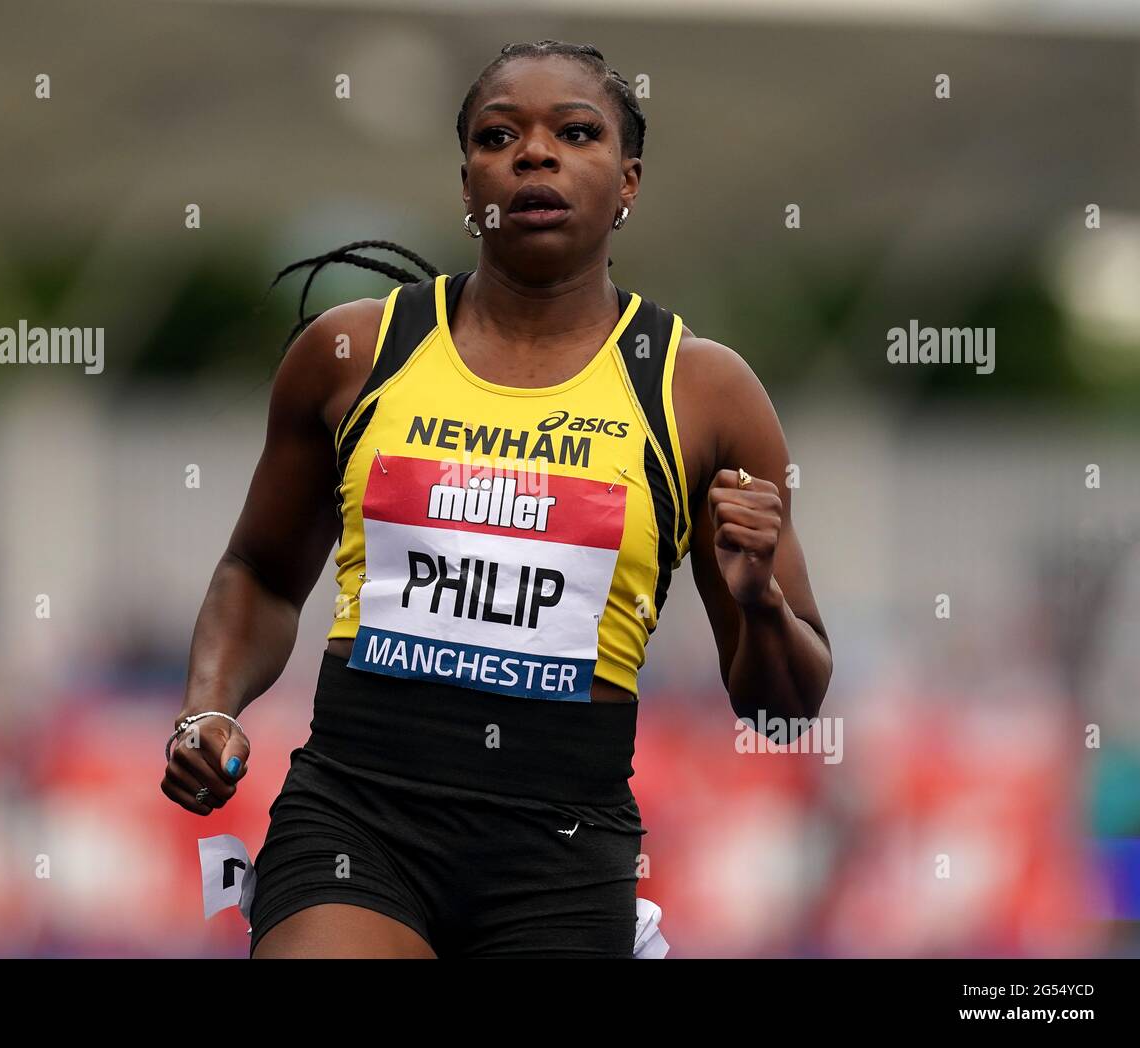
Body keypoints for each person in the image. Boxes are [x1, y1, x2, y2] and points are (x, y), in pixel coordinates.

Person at [161, 40, 832, 958]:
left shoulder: (701, 392)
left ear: (629, 181)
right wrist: (209, 706)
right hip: (358, 821)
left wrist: (757, 602)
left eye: (577, 132)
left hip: (560, 856)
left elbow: (785, 707)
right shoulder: (356, 353)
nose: (534, 154)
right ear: (467, 177)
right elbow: (262, 574)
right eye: (498, 134)